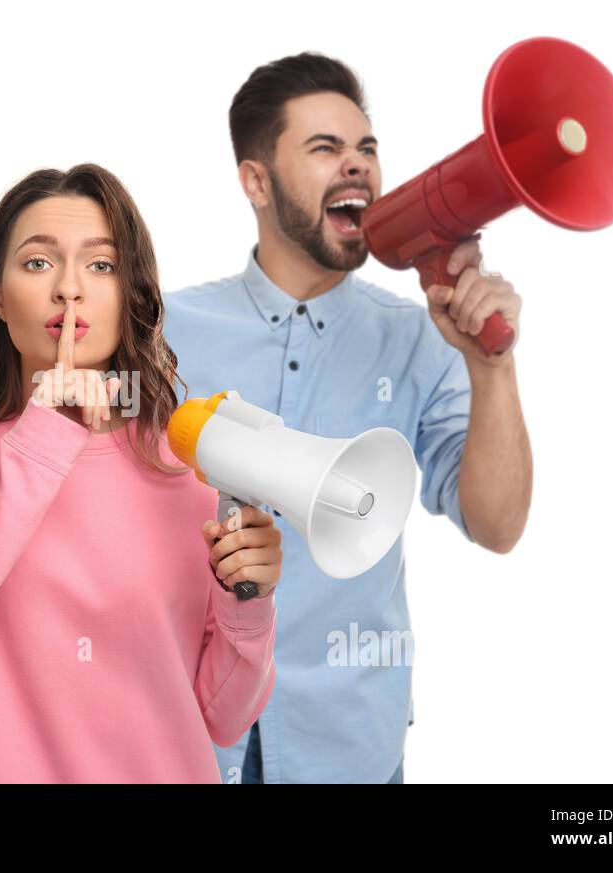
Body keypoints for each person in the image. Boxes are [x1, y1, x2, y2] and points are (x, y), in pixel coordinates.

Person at [163, 51, 533, 783]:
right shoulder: (168, 328)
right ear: (256, 181)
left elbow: (498, 526)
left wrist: (493, 369)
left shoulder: (421, 334)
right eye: (325, 148)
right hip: (188, 731)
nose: (357, 166)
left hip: (347, 745)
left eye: (366, 148)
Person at [0, 164, 283, 783]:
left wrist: (251, 601)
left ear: (130, 292)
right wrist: (42, 435)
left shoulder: (190, 463)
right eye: (37, 263)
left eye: (101, 265)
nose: (69, 289)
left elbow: (223, 719)